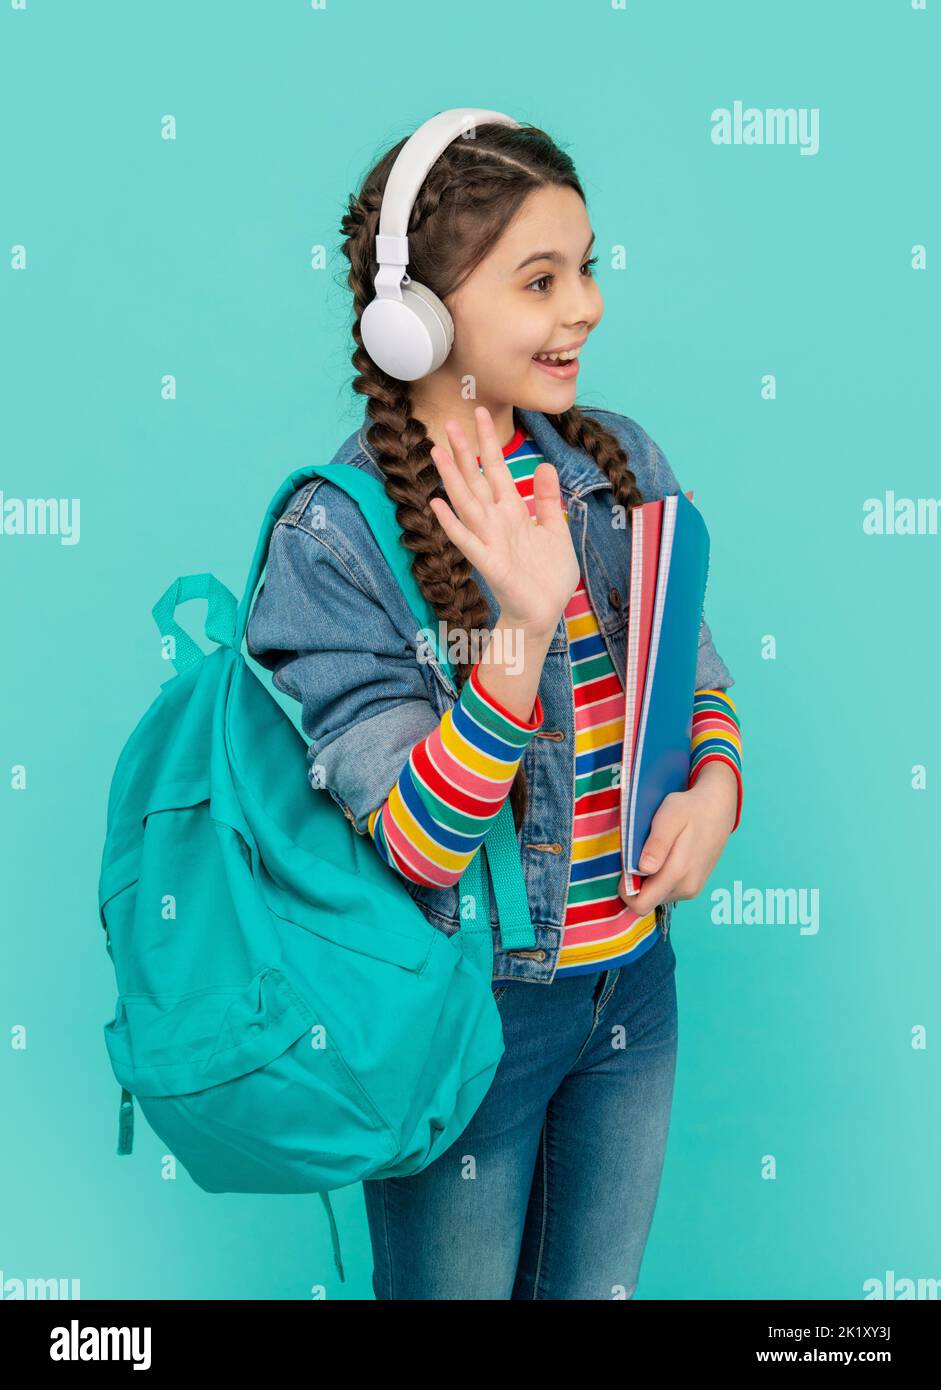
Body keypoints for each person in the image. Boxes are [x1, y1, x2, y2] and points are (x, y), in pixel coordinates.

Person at [246, 117, 743, 1299]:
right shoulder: (334, 542)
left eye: (586, 266)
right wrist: (515, 638)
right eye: (540, 280)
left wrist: (716, 790)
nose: (586, 306)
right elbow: (419, 844)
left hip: (633, 991)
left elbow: (696, 684)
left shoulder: (616, 463)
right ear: (411, 316)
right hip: (468, 1020)